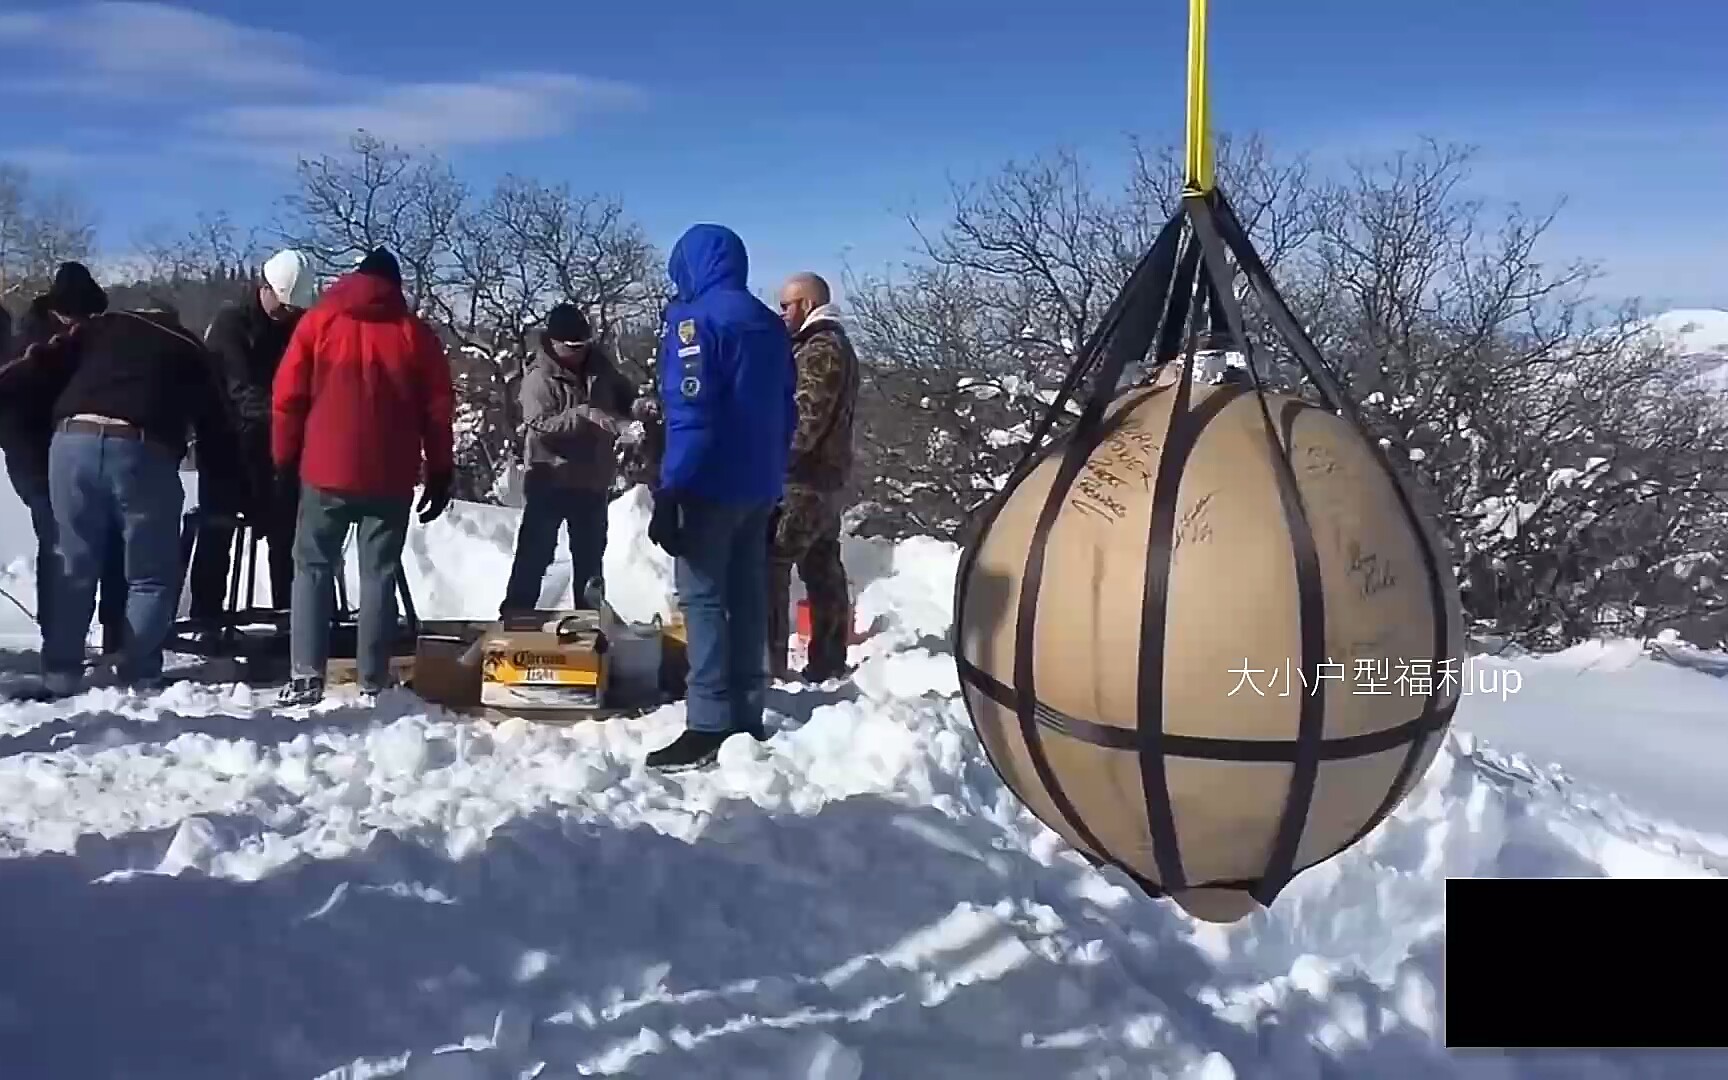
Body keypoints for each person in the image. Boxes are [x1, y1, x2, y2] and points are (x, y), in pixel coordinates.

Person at [271, 247, 454, 706]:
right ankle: (373, 679)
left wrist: (283, 459)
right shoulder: (414, 333)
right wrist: (439, 470)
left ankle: (306, 675)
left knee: (312, 568)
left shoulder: (318, 323)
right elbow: (437, 412)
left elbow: (287, 397)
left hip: (325, 469)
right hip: (389, 474)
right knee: (378, 575)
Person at [644, 224, 796, 772]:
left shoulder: (695, 322)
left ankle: (707, 721)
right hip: (759, 483)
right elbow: (787, 409)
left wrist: (673, 487)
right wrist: (775, 477)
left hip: (710, 481)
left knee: (704, 600)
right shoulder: (768, 325)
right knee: (749, 596)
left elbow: (691, 413)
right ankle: (748, 710)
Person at [38, 299, 238, 696]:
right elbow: (217, 428)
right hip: (140, 448)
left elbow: (41, 369)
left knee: (73, 564)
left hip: (69, 441)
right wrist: (231, 493)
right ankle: (139, 670)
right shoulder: (187, 347)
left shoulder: (96, 328)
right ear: (171, 319)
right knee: (150, 573)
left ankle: (61, 669)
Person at [0, 262, 128, 662]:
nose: (83, 323)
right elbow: (11, 402)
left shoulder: (88, 339)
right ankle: (57, 640)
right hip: (36, 457)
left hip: (80, 457)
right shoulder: (32, 345)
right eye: (78, 315)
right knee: (59, 544)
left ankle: (114, 631)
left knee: (111, 539)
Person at [186, 249, 318, 623]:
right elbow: (240, 391)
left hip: (275, 446)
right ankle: (207, 615)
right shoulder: (231, 324)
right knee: (219, 527)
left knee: (285, 530)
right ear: (265, 288)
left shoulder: (294, 327)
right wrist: (284, 417)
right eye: (283, 305)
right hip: (227, 444)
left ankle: (288, 614)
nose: (286, 314)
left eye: (294, 309)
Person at [499, 302, 636, 615]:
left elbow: (625, 397)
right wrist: (583, 415)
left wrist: (639, 408)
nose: (577, 352)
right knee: (535, 554)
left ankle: (588, 619)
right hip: (551, 479)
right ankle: (516, 615)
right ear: (555, 342)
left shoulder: (601, 369)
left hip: (592, 480)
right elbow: (540, 424)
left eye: (582, 345)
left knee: (590, 560)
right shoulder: (538, 378)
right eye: (571, 346)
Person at [769, 271, 860, 683]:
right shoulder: (829, 344)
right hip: (824, 478)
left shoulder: (821, 348)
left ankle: (769, 666)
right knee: (823, 569)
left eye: (786, 304)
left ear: (806, 304)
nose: (781, 312)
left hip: (802, 480)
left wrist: (772, 460)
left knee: (769, 564)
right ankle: (828, 661)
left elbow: (805, 419)